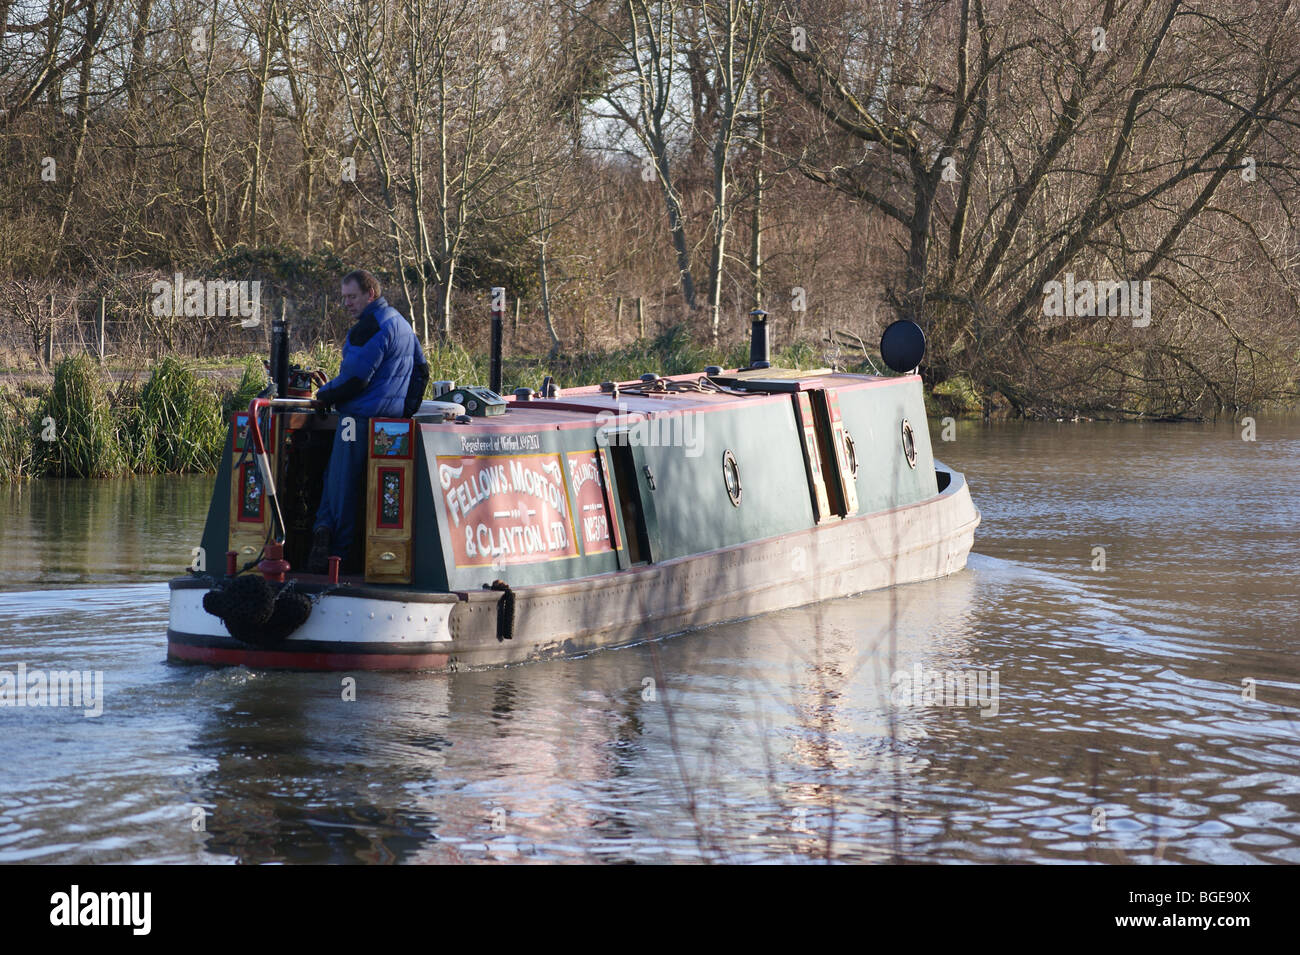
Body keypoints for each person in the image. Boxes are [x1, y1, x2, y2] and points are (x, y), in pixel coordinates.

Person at [309, 270, 429, 573]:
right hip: (390, 428)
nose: (346, 303)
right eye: (343, 297)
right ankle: (381, 559)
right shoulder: (402, 324)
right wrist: (404, 413)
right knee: (382, 493)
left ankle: (334, 554)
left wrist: (324, 395)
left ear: (370, 294)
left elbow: (357, 379)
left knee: (340, 485)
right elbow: (421, 372)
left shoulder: (368, 327)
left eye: (351, 297)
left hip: (357, 422)